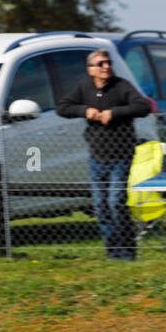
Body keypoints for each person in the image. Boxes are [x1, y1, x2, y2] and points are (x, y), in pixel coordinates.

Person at [57, 49, 152, 261]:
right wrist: (84, 111)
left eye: (108, 62)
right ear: (90, 69)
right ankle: (113, 252)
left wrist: (114, 112)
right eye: (101, 63)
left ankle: (128, 252)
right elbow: (62, 108)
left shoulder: (122, 86)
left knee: (115, 202)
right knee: (101, 207)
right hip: (97, 157)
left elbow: (143, 106)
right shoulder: (84, 87)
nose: (106, 67)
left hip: (121, 156)